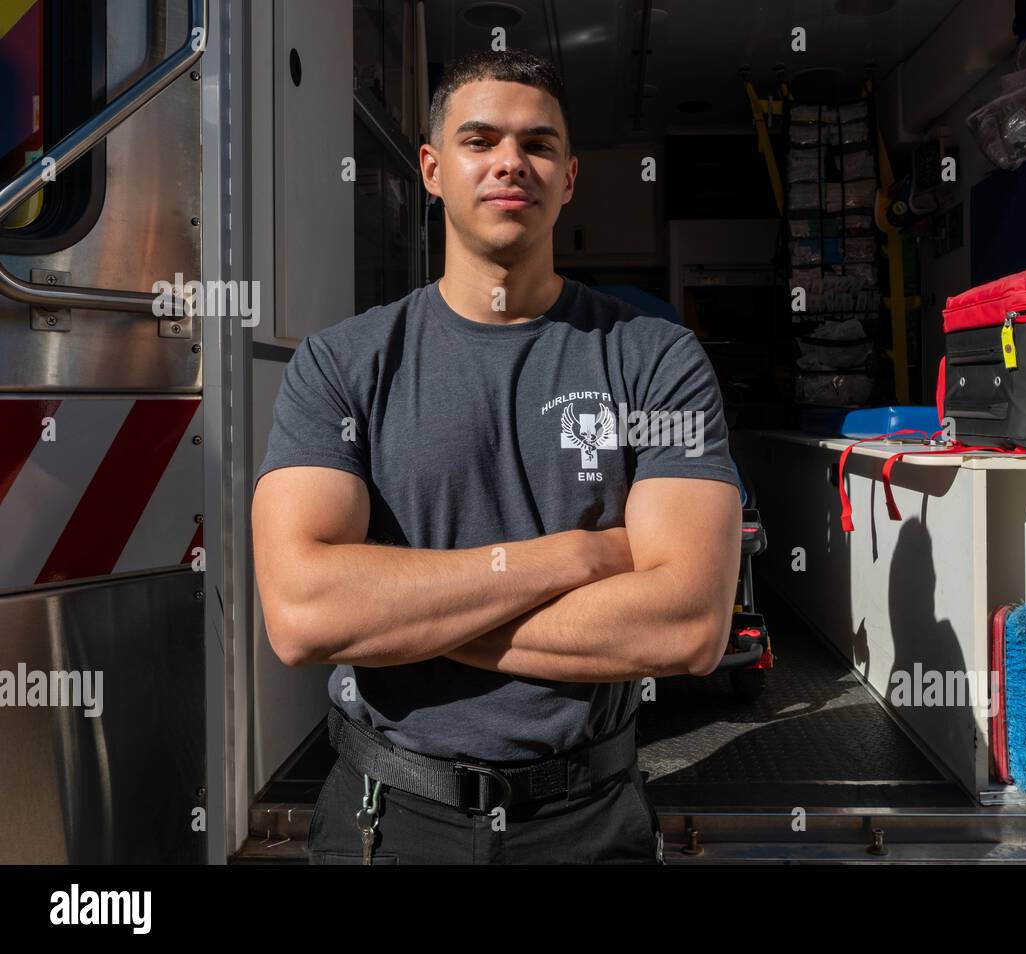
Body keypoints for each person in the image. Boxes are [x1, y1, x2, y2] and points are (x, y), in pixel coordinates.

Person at [250, 48, 742, 865]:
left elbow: (689, 623)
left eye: (539, 144)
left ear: (571, 176)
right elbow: (303, 613)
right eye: (480, 140)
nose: (511, 161)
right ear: (432, 170)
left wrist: (402, 610)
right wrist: (579, 556)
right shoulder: (342, 363)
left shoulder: (656, 359)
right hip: (389, 821)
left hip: (591, 818)